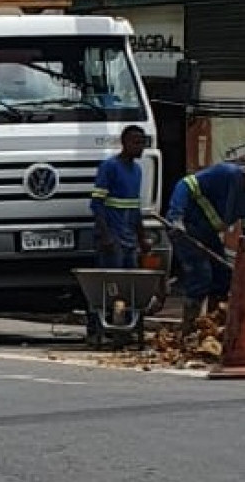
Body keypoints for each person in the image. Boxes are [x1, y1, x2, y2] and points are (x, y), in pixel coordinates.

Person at [166, 151, 245, 334]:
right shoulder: (226, 174)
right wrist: (176, 216)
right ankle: (188, 330)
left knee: (223, 277)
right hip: (187, 226)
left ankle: (211, 328)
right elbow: (186, 184)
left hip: (208, 232)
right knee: (201, 275)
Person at [86, 125, 149, 344]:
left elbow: (134, 207)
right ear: (124, 142)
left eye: (142, 142)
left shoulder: (138, 171)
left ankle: (125, 330)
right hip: (112, 238)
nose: (140, 147)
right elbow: (96, 204)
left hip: (129, 239)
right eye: (135, 142)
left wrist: (142, 238)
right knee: (107, 287)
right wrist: (106, 236)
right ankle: (96, 329)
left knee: (130, 288)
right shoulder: (109, 167)